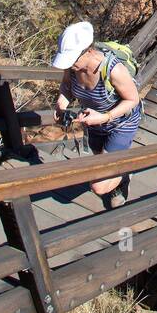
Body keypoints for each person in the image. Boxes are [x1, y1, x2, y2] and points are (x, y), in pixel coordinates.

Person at [52, 21, 141, 209]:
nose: (71, 65)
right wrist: (61, 103)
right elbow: (67, 86)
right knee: (101, 160)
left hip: (120, 123)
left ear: (89, 51)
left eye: (73, 59)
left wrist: (105, 117)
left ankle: (123, 173)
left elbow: (132, 99)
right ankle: (120, 176)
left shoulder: (113, 70)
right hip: (93, 124)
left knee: (99, 185)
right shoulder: (73, 68)